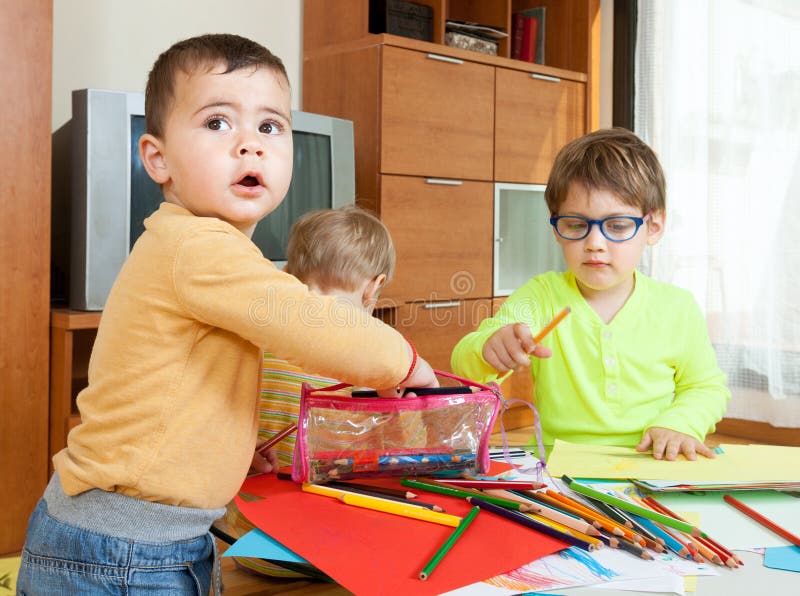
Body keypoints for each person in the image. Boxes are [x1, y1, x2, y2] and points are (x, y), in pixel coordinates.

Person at [17, 34, 436, 595]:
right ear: (157, 158)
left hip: (162, 537)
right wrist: (404, 362)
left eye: (270, 127)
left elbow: (199, 391)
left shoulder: (214, 254)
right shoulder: (198, 247)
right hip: (122, 548)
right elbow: (308, 320)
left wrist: (236, 452)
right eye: (218, 123)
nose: (249, 145)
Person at [451, 128, 730, 462]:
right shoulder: (539, 297)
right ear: (557, 228)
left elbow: (706, 387)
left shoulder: (677, 307)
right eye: (575, 225)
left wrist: (680, 424)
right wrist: (488, 347)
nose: (595, 242)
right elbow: (464, 364)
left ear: (653, 227)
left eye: (617, 226)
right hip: (560, 467)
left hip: (653, 463)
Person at [226, 206, 427, 579]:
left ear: (288, 273)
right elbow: (413, 456)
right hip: (337, 555)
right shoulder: (378, 357)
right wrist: (398, 402)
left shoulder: (260, 342)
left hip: (250, 544)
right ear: (373, 287)